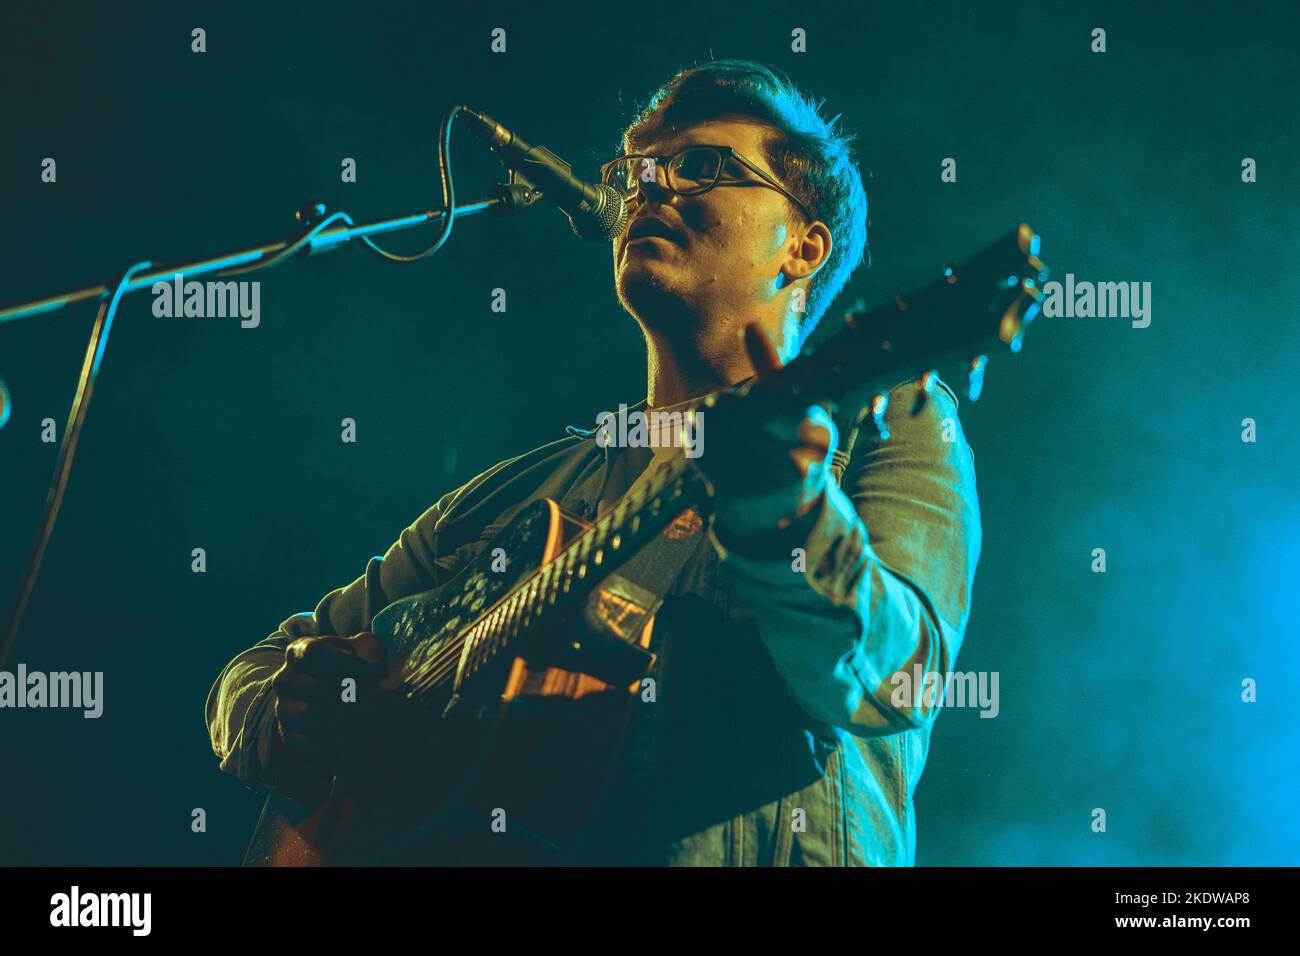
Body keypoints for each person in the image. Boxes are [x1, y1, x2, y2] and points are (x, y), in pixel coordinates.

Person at [206, 59, 980, 866]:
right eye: (636, 171)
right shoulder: (509, 496)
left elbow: (906, 683)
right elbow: (254, 669)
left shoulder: (890, 417)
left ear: (802, 246)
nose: (649, 189)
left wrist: (793, 521)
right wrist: (290, 710)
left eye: (699, 166)